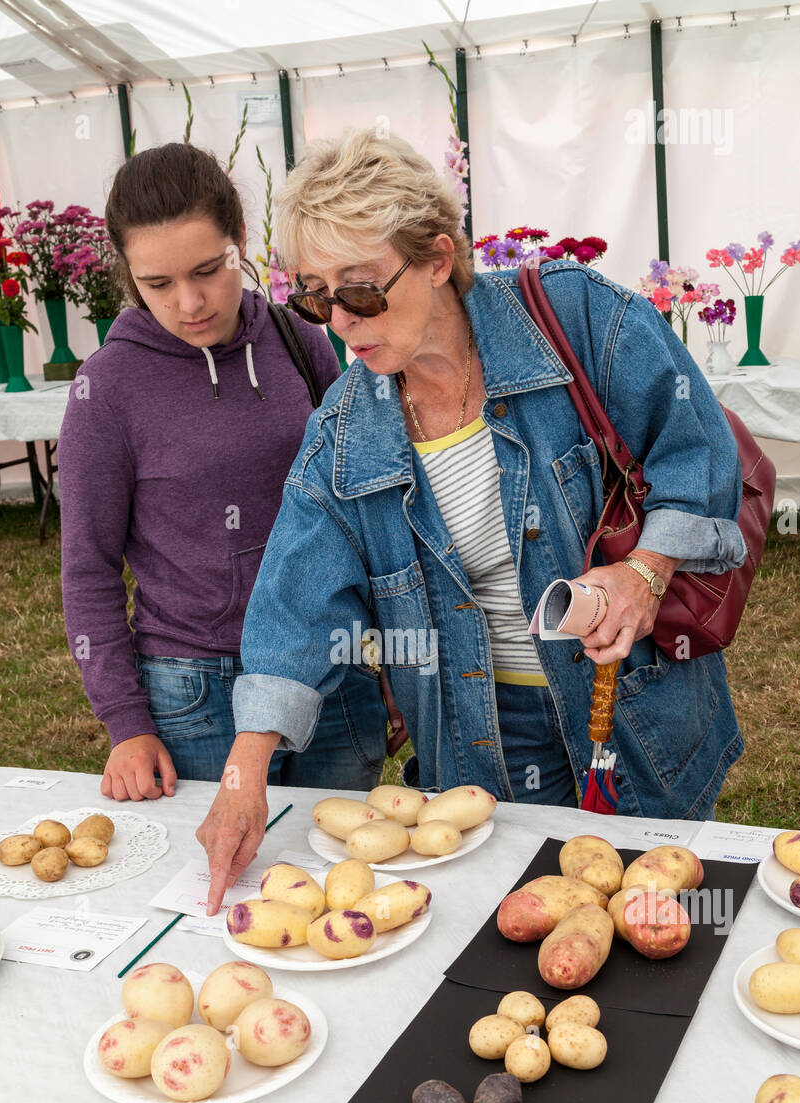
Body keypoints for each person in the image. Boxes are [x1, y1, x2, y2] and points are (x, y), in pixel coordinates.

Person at [196, 128, 748, 912]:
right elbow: (293, 608)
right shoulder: (342, 433)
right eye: (316, 296)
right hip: (477, 737)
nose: (341, 322)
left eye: (359, 287)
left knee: (652, 940)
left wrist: (643, 572)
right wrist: (241, 775)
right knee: (513, 949)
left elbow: (699, 453)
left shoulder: (576, 315)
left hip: (630, 716)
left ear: (436, 258)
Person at [58, 141, 387, 802]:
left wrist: (384, 663)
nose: (189, 302)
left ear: (240, 236)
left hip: (330, 665)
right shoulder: (108, 388)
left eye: (209, 269)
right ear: (128, 273)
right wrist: (126, 727)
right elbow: (88, 567)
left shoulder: (300, 340)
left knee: (344, 880)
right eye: (158, 283)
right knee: (228, 895)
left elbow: (356, 507)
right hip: (196, 692)